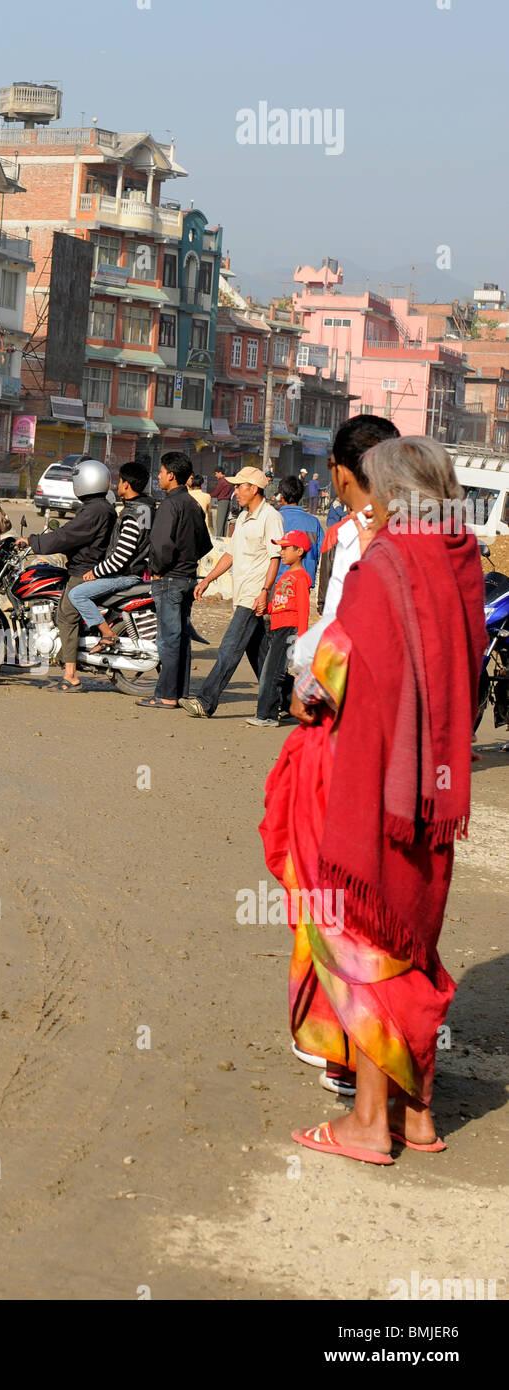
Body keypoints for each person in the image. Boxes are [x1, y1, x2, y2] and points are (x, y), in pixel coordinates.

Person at [261, 436, 486, 1164]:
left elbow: (335, 669)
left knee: (360, 936)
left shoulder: (387, 563)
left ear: (389, 491)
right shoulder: (458, 557)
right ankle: (414, 1117)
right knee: (411, 930)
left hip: (371, 780)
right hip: (432, 786)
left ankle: (365, 1121)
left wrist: (304, 690)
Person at [291, 416, 400, 672]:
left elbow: (339, 622)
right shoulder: (421, 525)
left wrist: (301, 664)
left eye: (332, 463)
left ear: (342, 473)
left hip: (361, 680)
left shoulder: (358, 532)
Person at [179, 465, 284, 718]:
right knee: (260, 655)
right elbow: (230, 555)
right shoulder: (244, 517)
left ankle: (206, 701)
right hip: (243, 594)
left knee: (229, 648)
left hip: (254, 595)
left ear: (254, 489)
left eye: (240, 486)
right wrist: (208, 580)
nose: (235, 491)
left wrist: (265, 591)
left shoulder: (271, 517)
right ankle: (287, 699)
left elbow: (275, 558)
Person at [21, 458, 116, 692]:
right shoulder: (100, 507)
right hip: (87, 566)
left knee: (66, 616)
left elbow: (67, 536)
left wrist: (34, 543)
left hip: (84, 571)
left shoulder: (94, 510)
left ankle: (70, 675)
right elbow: (70, 534)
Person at [137, 454, 213, 709]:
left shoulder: (170, 505)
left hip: (169, 580)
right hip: (187, 578)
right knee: (180, 638)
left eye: (160, 472)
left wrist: (158, 569)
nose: (158, 476)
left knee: (169, 639)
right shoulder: (192, 504)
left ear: (171, 475)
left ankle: (166, 695)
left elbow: (161, 545)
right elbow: (204, 544)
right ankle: (179, 692)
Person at [68, 460, 155, 654]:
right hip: (137, 571)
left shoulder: (131, 514)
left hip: (125, 575)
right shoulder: (146, 507)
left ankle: (107, 633)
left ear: (126, 484)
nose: (116, 486)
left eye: (119, 481)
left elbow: (121, 557)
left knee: (77, 594)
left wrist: (95, 572)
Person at [247, 530, 311, 727]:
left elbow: (303, 608)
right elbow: (279, 604)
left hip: (289, 629)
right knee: (273, 671)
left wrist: (301, 636)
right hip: (278, 627)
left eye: (285, 548)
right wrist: (266, 608)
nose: (281, 552)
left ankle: (267, 715)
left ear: (299, 551)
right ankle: (282, 709)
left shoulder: (301, 577)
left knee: (272, 673)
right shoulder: (285, 577)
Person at [276, 475, 324, 587]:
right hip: (305, 582)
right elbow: (323, 551)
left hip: (278, 581)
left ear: (281, 496)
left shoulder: (275, 519)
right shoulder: (313, 522)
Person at [210, 466, 234, 537]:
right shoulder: (228, 480)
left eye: (216, 473)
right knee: (225, 522)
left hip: (222, 502)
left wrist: (208, 495)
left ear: (220, 473)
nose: (215, 475)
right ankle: (223, 538)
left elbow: (216, 493)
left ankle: (219, 538)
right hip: (228, 501)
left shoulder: (222, 481)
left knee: (220, 522)